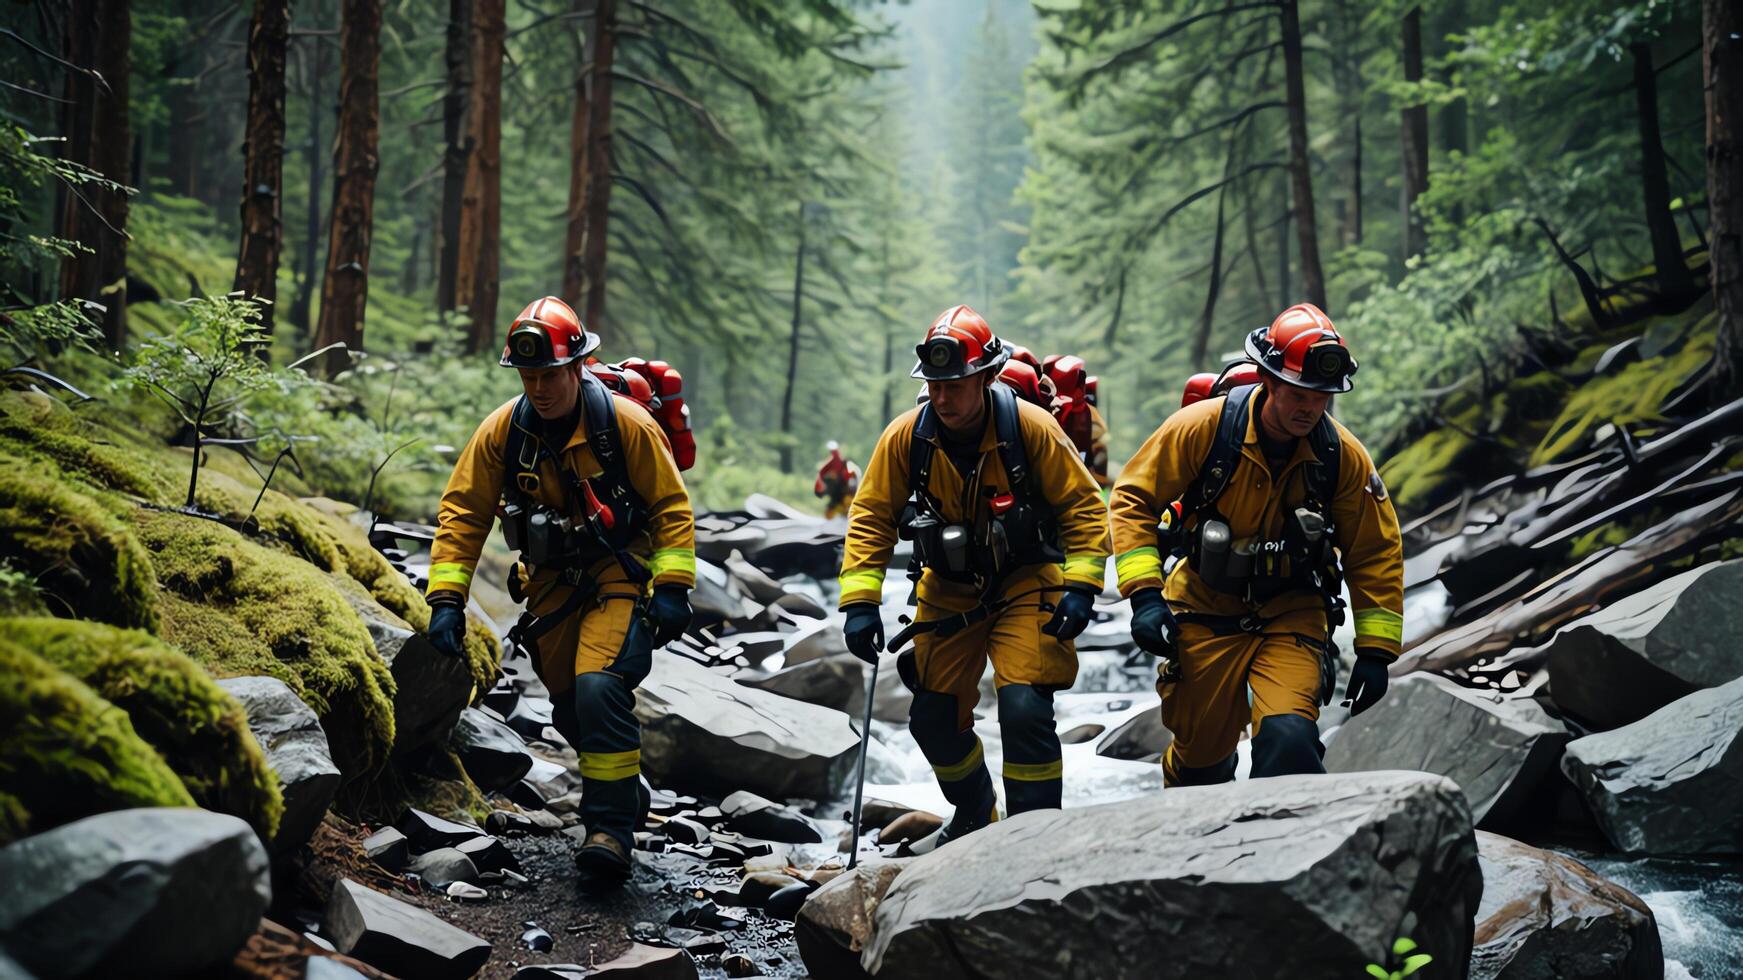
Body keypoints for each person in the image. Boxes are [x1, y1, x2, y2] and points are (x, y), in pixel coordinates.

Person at [424, 296, 696, 891]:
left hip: (620, 578)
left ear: (578, 367)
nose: (539, 388)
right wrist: (445, 598)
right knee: (571, 707)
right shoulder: (505, 430)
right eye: (528, 376)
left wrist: (673, 586)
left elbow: (672, 508)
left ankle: (609, 834)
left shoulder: (626, 426)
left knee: (600, 689)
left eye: (550, 374)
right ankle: (624, 790)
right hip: (549, 591)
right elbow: (463, 512)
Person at [837, 305, 1110, 845]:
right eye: (935, 384)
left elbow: (1084, 508)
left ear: (985, 377)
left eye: (955, 384)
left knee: (1026, 706)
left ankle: (1034, 837)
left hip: (1027, 582)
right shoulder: (906, 438)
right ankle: (975, 811)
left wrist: (1081, 588)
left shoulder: (1032, 430)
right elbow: (870, 517)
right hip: (948, 588)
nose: (942, 396)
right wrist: (859, 602)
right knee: (932, 719)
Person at [1109, 303, 1403, 787]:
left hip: (1292, 612)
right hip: (1203, 608)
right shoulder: (1201, 428)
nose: (1310, 407)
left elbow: (1374, 552)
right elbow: (1133, 498)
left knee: (1289, 740)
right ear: (1268, 381)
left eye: (1322, 395)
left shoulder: (1342, 458)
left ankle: (1289, 856)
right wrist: (1144, 594)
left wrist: (1375, 651)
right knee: (1200, 765)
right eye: (1298, 393)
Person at [814, 441, 861, 519]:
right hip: (838, 500)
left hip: (847, 497)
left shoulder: (848, 469)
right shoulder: (828, 468)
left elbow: (853, 481)